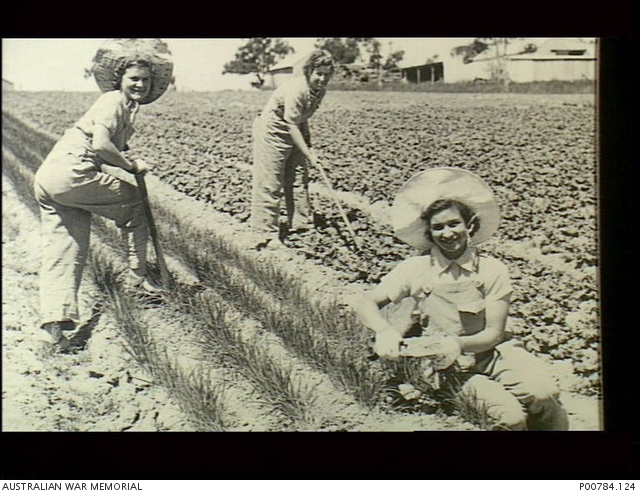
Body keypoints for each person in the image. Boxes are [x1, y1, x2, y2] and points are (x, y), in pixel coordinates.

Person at [355, 168, 569, 430]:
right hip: (445, 363)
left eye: (454, 224)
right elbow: (367, 303)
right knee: (510, 418)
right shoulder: (414, 269)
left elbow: (493, 334)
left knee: (544, 394)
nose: (447, 234)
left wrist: (457, 343)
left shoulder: (492, 269)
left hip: (493, 353)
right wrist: (384, 331)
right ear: (429, 233)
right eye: (438, 228)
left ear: (470, 226)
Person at [33, 39, 173, 353]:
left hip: (50, 176)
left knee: (65, 250)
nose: (140, 84)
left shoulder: (124, 106)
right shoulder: (113, 101)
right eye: (134, 78)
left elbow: (107, 146)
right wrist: (131, 165)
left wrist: (123, 159)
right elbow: (100, 146)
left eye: (146, 80)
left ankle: (53, 330)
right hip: (72, 173)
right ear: (120, 80)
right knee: (135, 203)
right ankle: (139, 280)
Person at [250, 50, 335, 249]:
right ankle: (266, 233)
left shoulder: (319, 91)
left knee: (298, 177)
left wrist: (309, 147)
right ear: (308, 72)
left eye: (326, 75)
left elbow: (302, 120)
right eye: (318, 73)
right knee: (271, 181)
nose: (322, 79)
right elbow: (291, 124)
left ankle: (302, 225)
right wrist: (308, 153)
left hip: (294, 129)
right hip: (273, 131)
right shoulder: (297, 89)